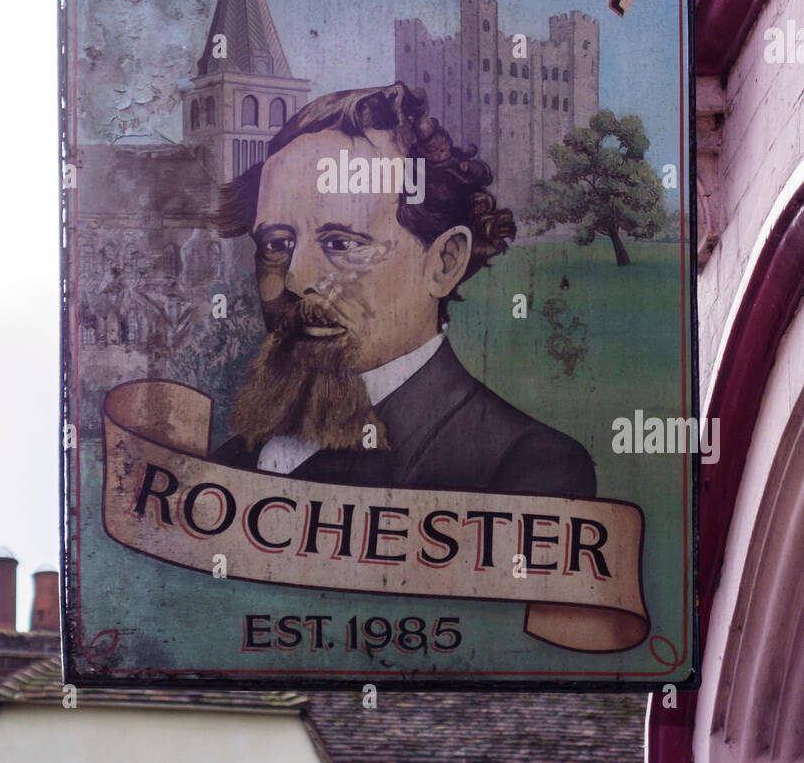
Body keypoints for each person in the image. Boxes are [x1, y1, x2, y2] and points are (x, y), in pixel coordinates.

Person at [209, 82, 595, 497]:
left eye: (342, 244)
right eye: (277, 245)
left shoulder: (523, 468)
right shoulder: (228, 465)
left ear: (444, 263)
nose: (295, 280)